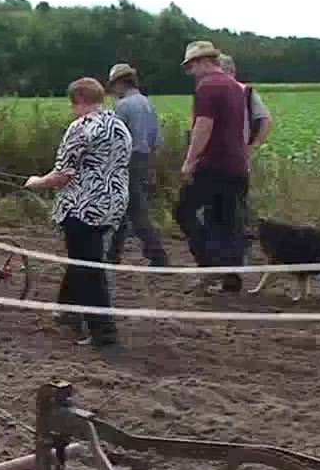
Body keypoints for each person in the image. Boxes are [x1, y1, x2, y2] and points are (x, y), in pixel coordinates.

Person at [25, 77, 132, 347]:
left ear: (79, 100)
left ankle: (103, 332)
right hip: (113, 204)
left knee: (88, 268)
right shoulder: (119, 125)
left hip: (83, 207)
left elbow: (62, 175)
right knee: (82, 259)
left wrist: (36, 183)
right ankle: (67, 311)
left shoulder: (81, 127)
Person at [172, 40, 249, 293]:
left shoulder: (207, 86)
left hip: (213, 164)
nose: (189, 72)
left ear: (204, 61)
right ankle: (232, 277)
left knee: (184, 210)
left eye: (191, 66)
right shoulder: (235, 87)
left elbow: (203, 126)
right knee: (228, 220)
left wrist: (190, 160)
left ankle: (209, 262)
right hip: (237, 164)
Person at [104, 63, 169, 267]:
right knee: (122, 208)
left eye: (114, 86)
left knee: (135, 210)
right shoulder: (147, 103)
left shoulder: (123, 106)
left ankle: (157, 254)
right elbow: (157, 139)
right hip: (145, 158)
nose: (113, 91)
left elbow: (115, 138)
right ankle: (113, 253)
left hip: (128, 160)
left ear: (120, 83)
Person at [217, 53, 274, 171]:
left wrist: (254, 145)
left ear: (232, 72)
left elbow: (266, 120)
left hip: (238, 156)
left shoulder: (246, 92)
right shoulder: (210, 91)